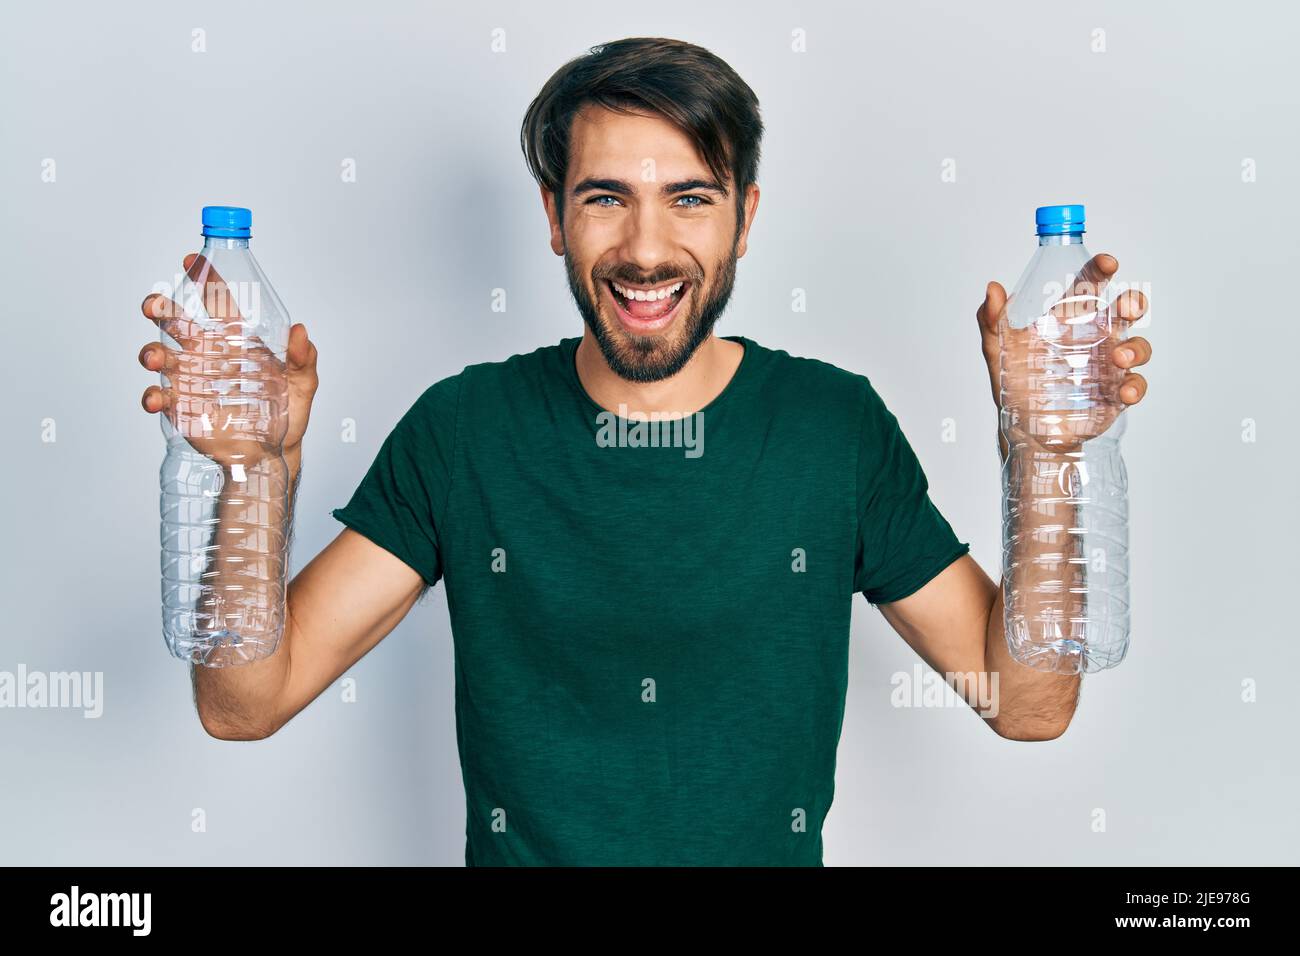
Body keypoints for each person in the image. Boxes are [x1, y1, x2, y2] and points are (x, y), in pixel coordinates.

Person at [136, 37, 1152, 866]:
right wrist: (247, 474)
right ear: (553, 216)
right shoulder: (465, 431)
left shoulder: (831, 429)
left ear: (745, 217)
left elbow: (1024, 702)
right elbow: (243, 702)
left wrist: (1046, 456)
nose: (646, 247)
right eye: (605, 195)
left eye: (690, 197)